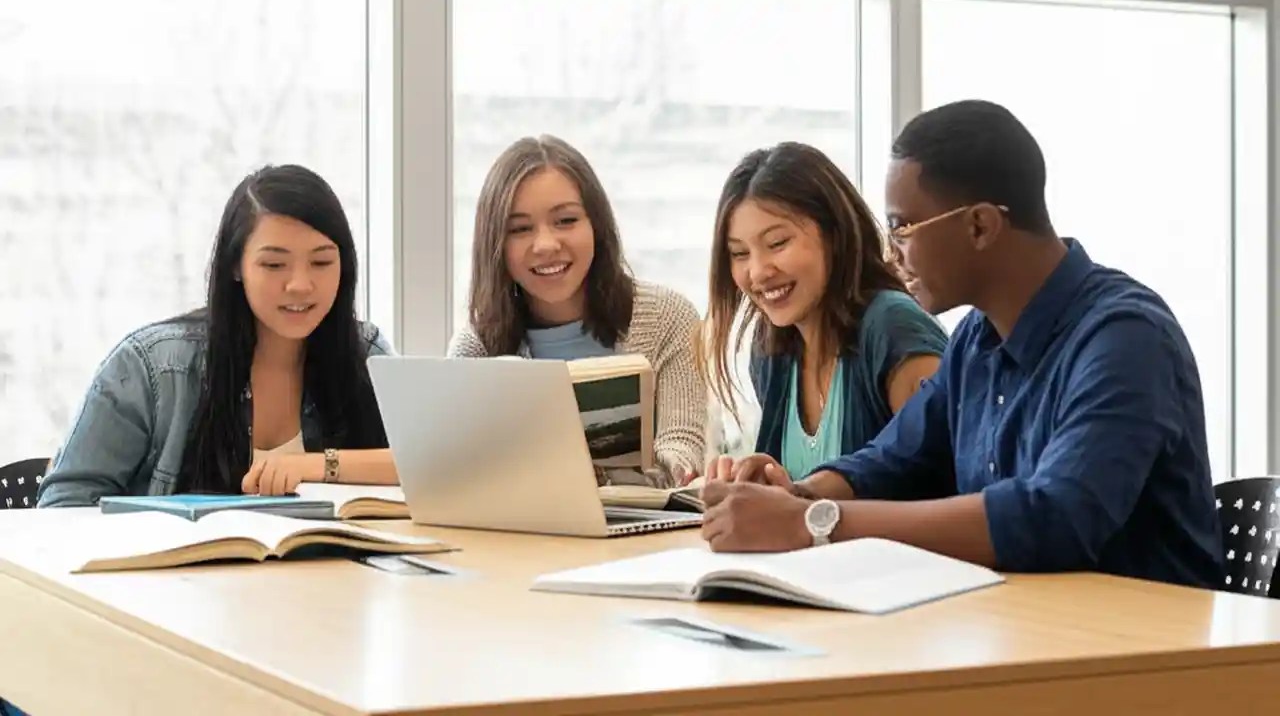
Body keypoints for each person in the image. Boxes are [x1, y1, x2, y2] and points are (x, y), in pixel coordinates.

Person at [699, 100, 1225, 590]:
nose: (892, 250)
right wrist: (799, 495)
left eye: (902, 227)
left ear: (979, 226)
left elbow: (1057, 516)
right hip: (1028, 633)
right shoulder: (978, 336)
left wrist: (815, 523)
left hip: (1152, 657)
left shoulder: (1125, 339)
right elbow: (893, 459)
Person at [39, 164, 397, 507]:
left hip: (330, 571)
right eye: (274, 265)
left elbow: (436, 468)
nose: (301, 285)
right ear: (235, 267)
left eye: (321, 262)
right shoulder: (153, 369)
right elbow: (64, 507)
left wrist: (316, 466)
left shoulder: (367, 356)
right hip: (178, 569)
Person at [448, 135, 705, 487]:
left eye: (565, 221)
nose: (546, 245)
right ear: (495, 244)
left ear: (596, 226)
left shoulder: (669, 318)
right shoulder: (475, 348)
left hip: (644, 533)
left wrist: (621, 473)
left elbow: (683, 450)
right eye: (520, 229)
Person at [699, 142, 946, 486]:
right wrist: (773, 483)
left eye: (777, 244)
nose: (757, 272)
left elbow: (943, 495)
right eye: (739, 254)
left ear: (834, 234)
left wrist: (805, 506)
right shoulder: (771, 348)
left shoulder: (894, 329)